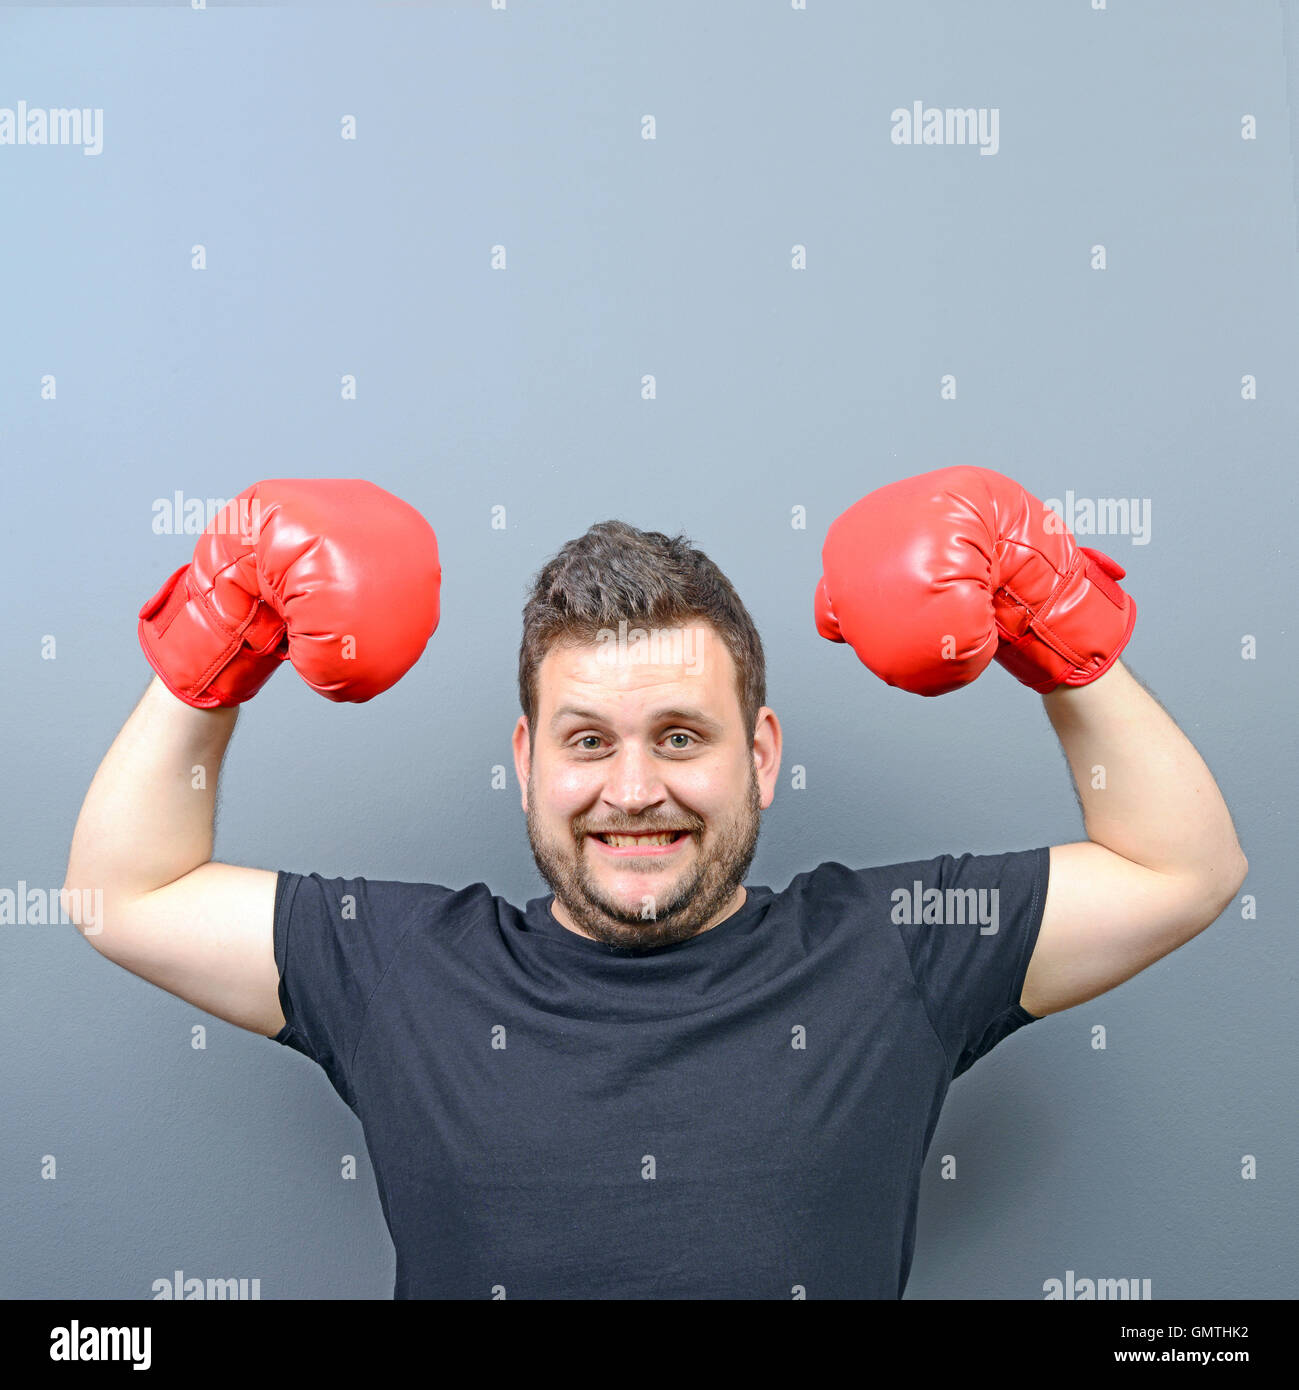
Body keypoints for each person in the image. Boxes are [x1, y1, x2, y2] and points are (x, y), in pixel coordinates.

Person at [61, 469, 1248, 1299]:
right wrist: (217, 641)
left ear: (763, 755)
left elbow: (1183, 867)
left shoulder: (896, 950)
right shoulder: (399, 966)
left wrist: (1058, 625)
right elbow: (126, 892)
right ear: (527, 764)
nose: (634, 789)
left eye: (682, 735)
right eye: (587, 742)